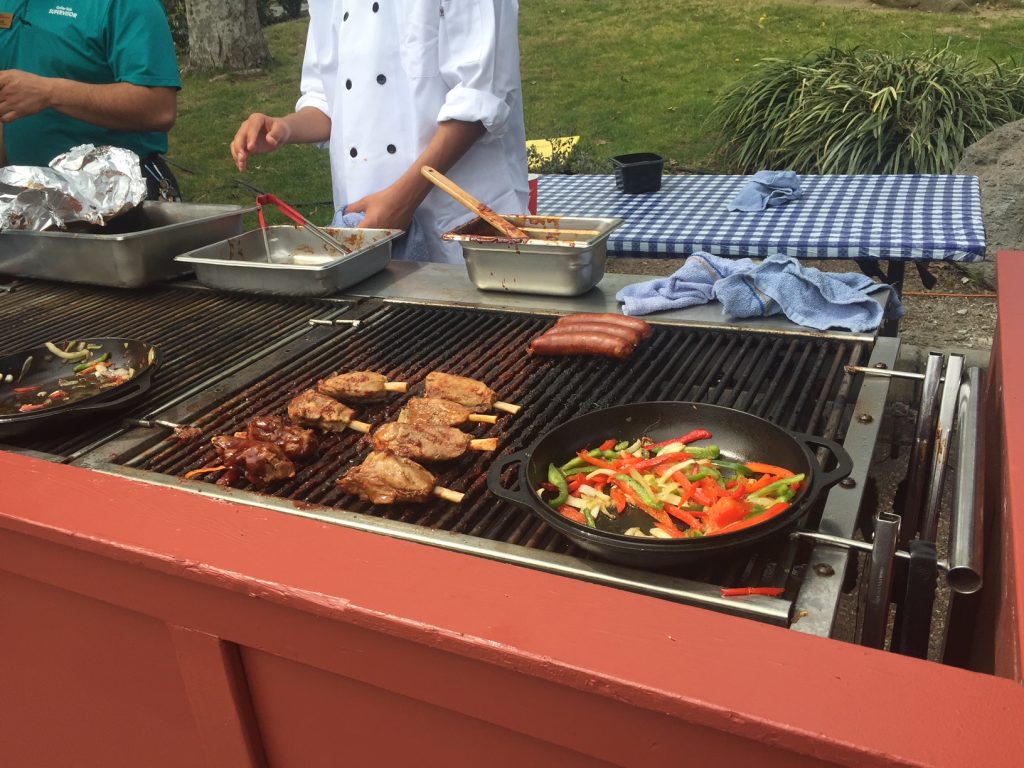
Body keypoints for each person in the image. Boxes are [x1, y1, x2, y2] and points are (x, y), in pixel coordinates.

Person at [230, 0, 529, 264]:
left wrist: (401, 201)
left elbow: (478, 101)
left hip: (461, 220)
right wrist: (283, 127)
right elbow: (329, 99)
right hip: (368, 226)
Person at [0, 0, 182, 201]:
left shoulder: (126, 5)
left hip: (118, 197)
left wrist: (50, 93)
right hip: (24, 198)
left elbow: (159, 108)